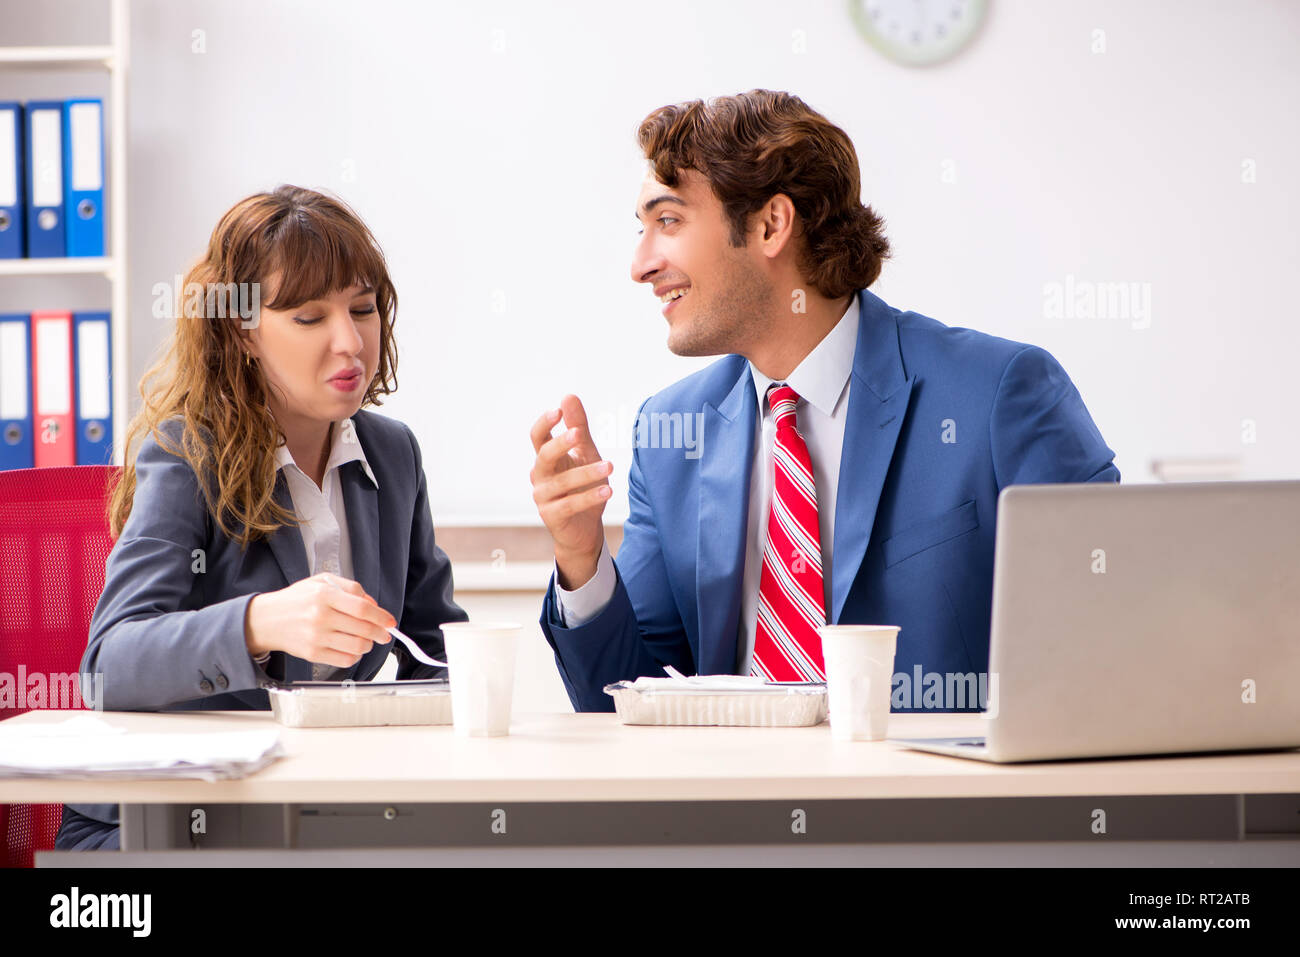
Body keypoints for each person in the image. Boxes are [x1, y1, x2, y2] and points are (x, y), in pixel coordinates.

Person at [528, 90, 1119, 713]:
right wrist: (581, 556)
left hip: (933, 802)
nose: (640, 264)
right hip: (734, 802)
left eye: (668, 221)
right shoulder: (673, 431)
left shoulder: (1000, 392)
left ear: (769, 225)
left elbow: (1108, 641)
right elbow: (628, 699)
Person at [57, 186, 466, 849]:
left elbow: (434, 649)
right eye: (309, 317)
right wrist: (261, 621)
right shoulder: (187, 451)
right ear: (241, 332)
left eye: (363, 309)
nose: (350, 341)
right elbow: (110, 662)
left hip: (307, 811)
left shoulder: (393, 455)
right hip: (166, 823)